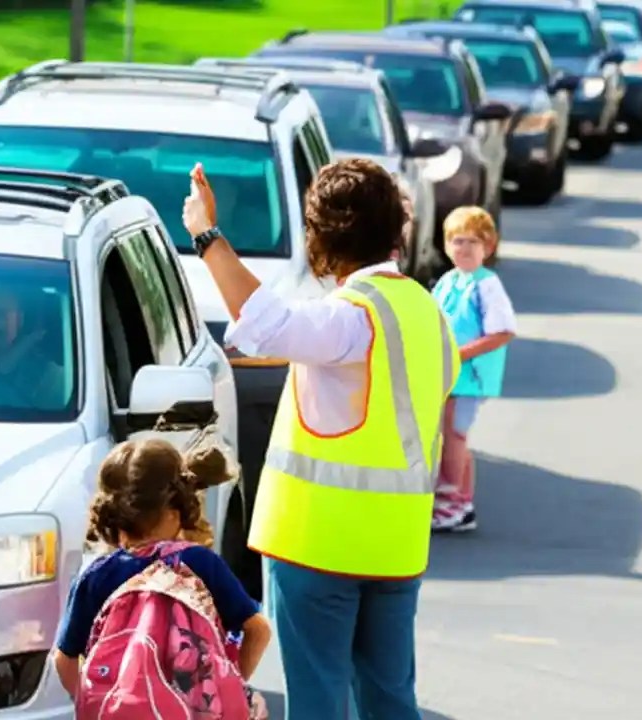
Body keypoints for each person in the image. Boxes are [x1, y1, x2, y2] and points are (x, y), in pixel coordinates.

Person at [182, 157, 459, 719]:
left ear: (321, 238)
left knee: (319, 701)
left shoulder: (352, 317)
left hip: (318, 544)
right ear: (395, 232)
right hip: (396, 544)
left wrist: (207, 236)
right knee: (388, 698)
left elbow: (266, 325)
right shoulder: (427, 313)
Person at [53, 439, 272, 700]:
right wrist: (231, 685)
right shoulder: (200, 564)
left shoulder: (96, 576)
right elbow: (258, 630)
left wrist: (89, 702)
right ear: (174, 510)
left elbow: (64, 658)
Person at [430, 206, 517, 533]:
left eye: (472, 242)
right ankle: (462, 504)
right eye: (457, 241)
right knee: (452, 437)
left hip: (470, 377)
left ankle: (450, 503)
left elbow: (503, 331)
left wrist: (460, 354)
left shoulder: (486, 285)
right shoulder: (448, 282)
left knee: (454, 436)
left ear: (488, 247)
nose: (464, 249)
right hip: (449, 375)